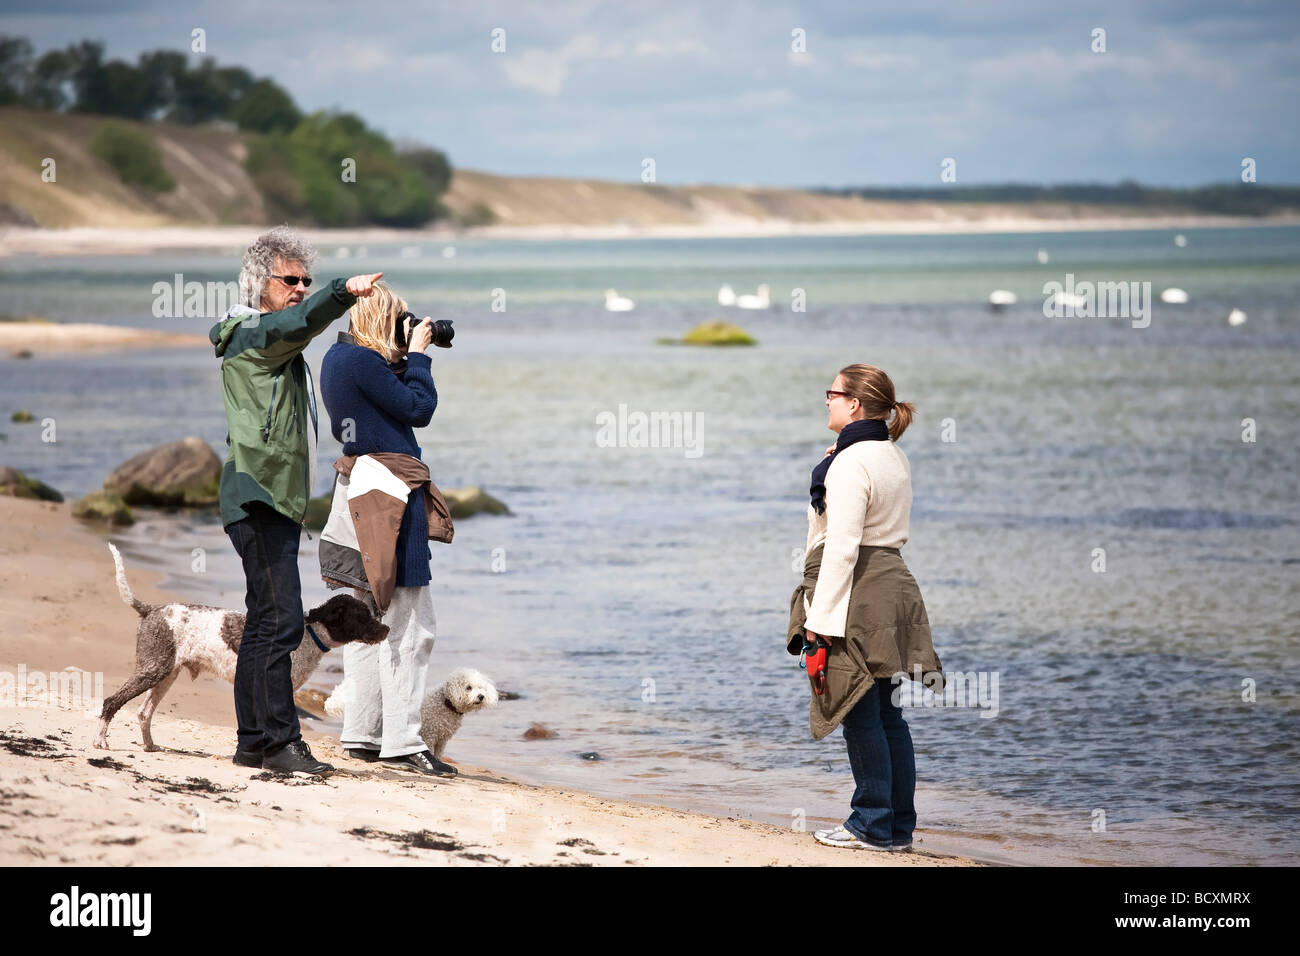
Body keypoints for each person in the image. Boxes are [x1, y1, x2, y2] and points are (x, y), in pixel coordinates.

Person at [209, 225, 383, 775]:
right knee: (283, 622)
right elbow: (297, 322)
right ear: (261, 284)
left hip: (272, 504)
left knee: (264, 621)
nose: (301, 288)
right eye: (291, 280)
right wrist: (339, 293)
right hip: (257, 498)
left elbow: (295, 324)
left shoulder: (269, 339)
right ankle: (283, 743)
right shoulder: (251, 336)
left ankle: (253, 743)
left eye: (307, 280)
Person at [787, 363, 945, 852]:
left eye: (832, 394)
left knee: (855, 708)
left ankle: (870, 824)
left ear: (854, 404)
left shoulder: (852, 462)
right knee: (887, 713)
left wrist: (821, 621)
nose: (826, 401)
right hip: (892, 584)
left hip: (858, 588)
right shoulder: (891, 455)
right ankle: (896, 829)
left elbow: (843, 545)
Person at [318, 281, 452, 776]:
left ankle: (362, 734)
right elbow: (418, 409)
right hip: (391, 494)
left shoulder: (339, 359)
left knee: (367, 621)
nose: (407, 325)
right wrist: (419, 355)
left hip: (357, 489)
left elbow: (380, 401)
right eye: (399, 317)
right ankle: (402, 742)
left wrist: (403, 353)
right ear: (381, 320)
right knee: (412, 627)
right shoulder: (364, 364)